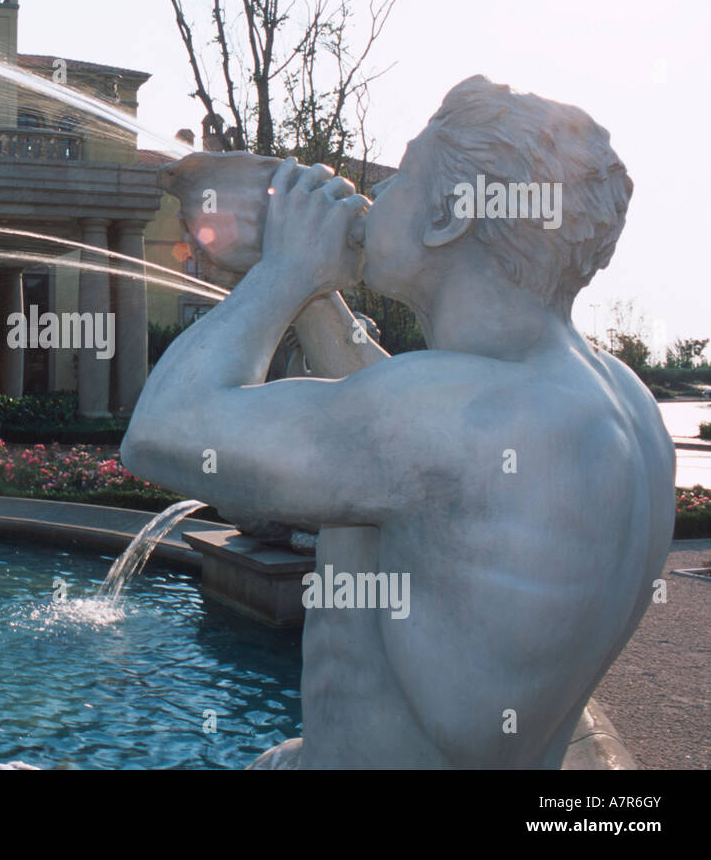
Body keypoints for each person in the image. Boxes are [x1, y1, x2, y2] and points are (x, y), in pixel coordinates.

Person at [123, 75, 674, 768]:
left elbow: (163, 428)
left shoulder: (442, 415)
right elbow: (403, 430)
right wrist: (320, 293)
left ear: (447, 218)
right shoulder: (618, 401)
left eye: (400, 177)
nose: (374, 195)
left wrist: (284, 274)